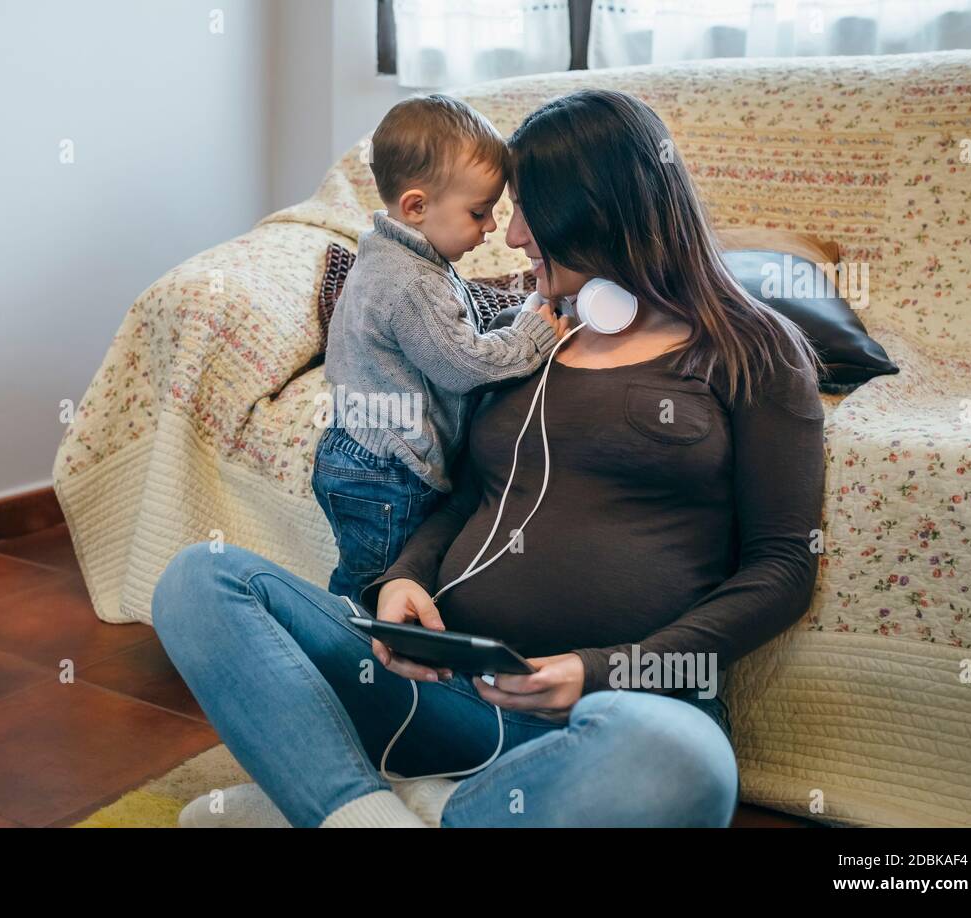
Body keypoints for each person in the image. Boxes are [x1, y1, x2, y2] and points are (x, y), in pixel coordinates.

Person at [153, 89, 826, 828]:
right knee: (202, 581)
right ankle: (367, 814)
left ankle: (389, 804)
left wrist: (599, 671)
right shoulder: (525, 339)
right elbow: (467, 494)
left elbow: (783, 565)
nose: (510, 235)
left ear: (592, 209)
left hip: (610, 716)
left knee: (682, 761)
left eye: (527, 209)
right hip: (447, 693)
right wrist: (404, 579)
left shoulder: (752, 351)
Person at [315, 93, 565, 607]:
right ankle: (347, 657)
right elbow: (463, 363)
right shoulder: (409, 281)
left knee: (368, 576)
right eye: (480, 212)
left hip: (359, 453)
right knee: (374, 590)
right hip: (385, 469)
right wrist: (532, 337)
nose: (494, 227)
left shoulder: (398, 255)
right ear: (416, 206)